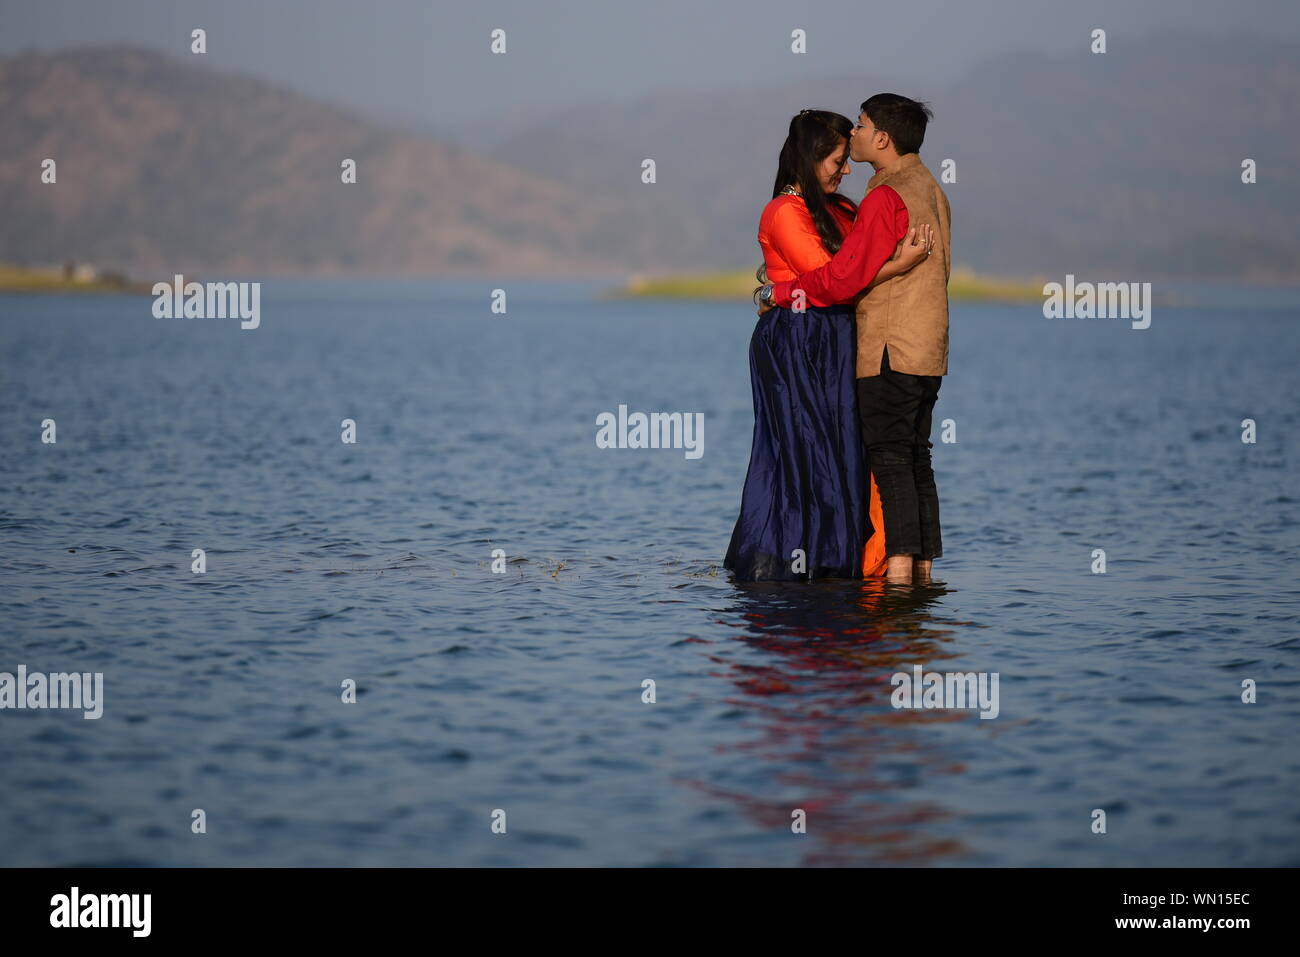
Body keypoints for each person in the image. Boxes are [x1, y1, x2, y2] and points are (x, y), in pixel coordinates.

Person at [725, 109, 930, 582]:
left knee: (845, 449)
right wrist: (898, 265)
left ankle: (842, 559)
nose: (846, 169)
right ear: (809, 158)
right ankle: (797, 560)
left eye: (846, 159)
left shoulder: (841, 209)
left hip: (836, 339)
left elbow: (855, 268)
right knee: (804, 453)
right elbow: (832, 279)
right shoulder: (782, 212)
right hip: (796, 344)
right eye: (837, 160)